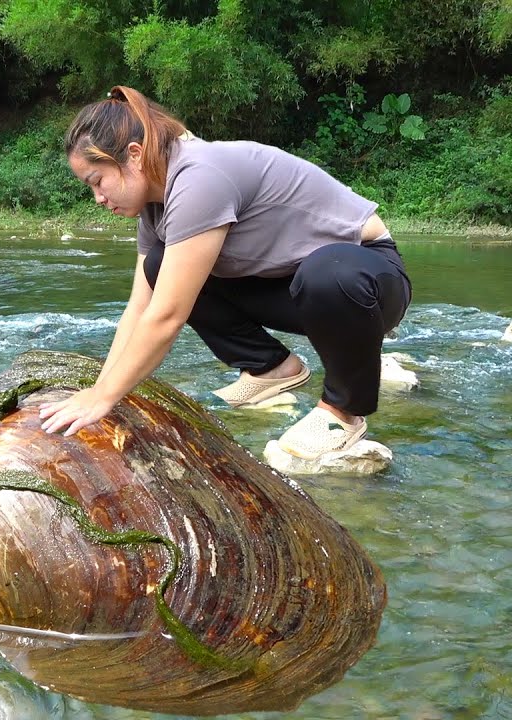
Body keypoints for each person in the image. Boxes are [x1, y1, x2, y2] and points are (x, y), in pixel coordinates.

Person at [39, 86, 411, 459]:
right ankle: (271, 368)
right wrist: (99, 389)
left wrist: (104, 398)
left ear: (134, 155)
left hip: (369, 282)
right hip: (293, 287)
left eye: (97, 181)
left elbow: (167, 317)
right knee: (159, 265)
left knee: (327, 272)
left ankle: (344, 412)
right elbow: (141, 307)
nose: (98, 198)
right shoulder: (155, 206)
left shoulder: (199, 177)